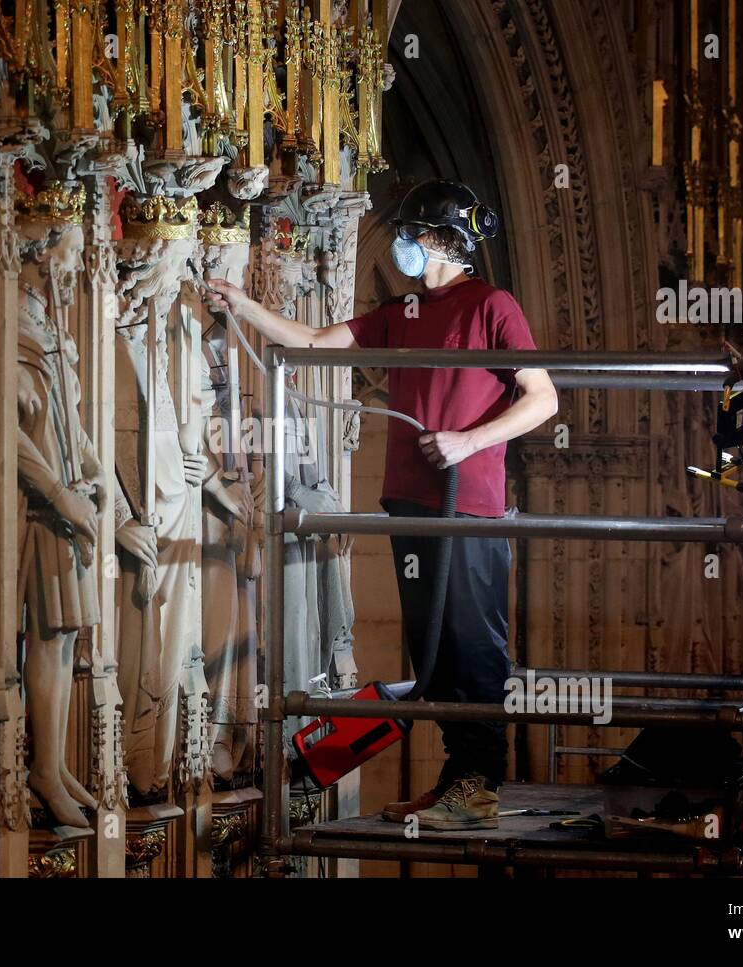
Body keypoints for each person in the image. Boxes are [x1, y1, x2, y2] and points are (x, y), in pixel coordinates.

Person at [204, 179, 558, 830]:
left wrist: (467, 441)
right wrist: (239, 304)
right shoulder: (406, 312)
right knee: (434, 649)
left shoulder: (493, 306)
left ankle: (480, 784)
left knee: (475, 645)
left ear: (441, 239)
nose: (404, 248)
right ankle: (459, 777)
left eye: (412, 236)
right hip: (410, 502)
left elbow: (542, 397)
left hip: (468, 506)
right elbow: (313, 341)